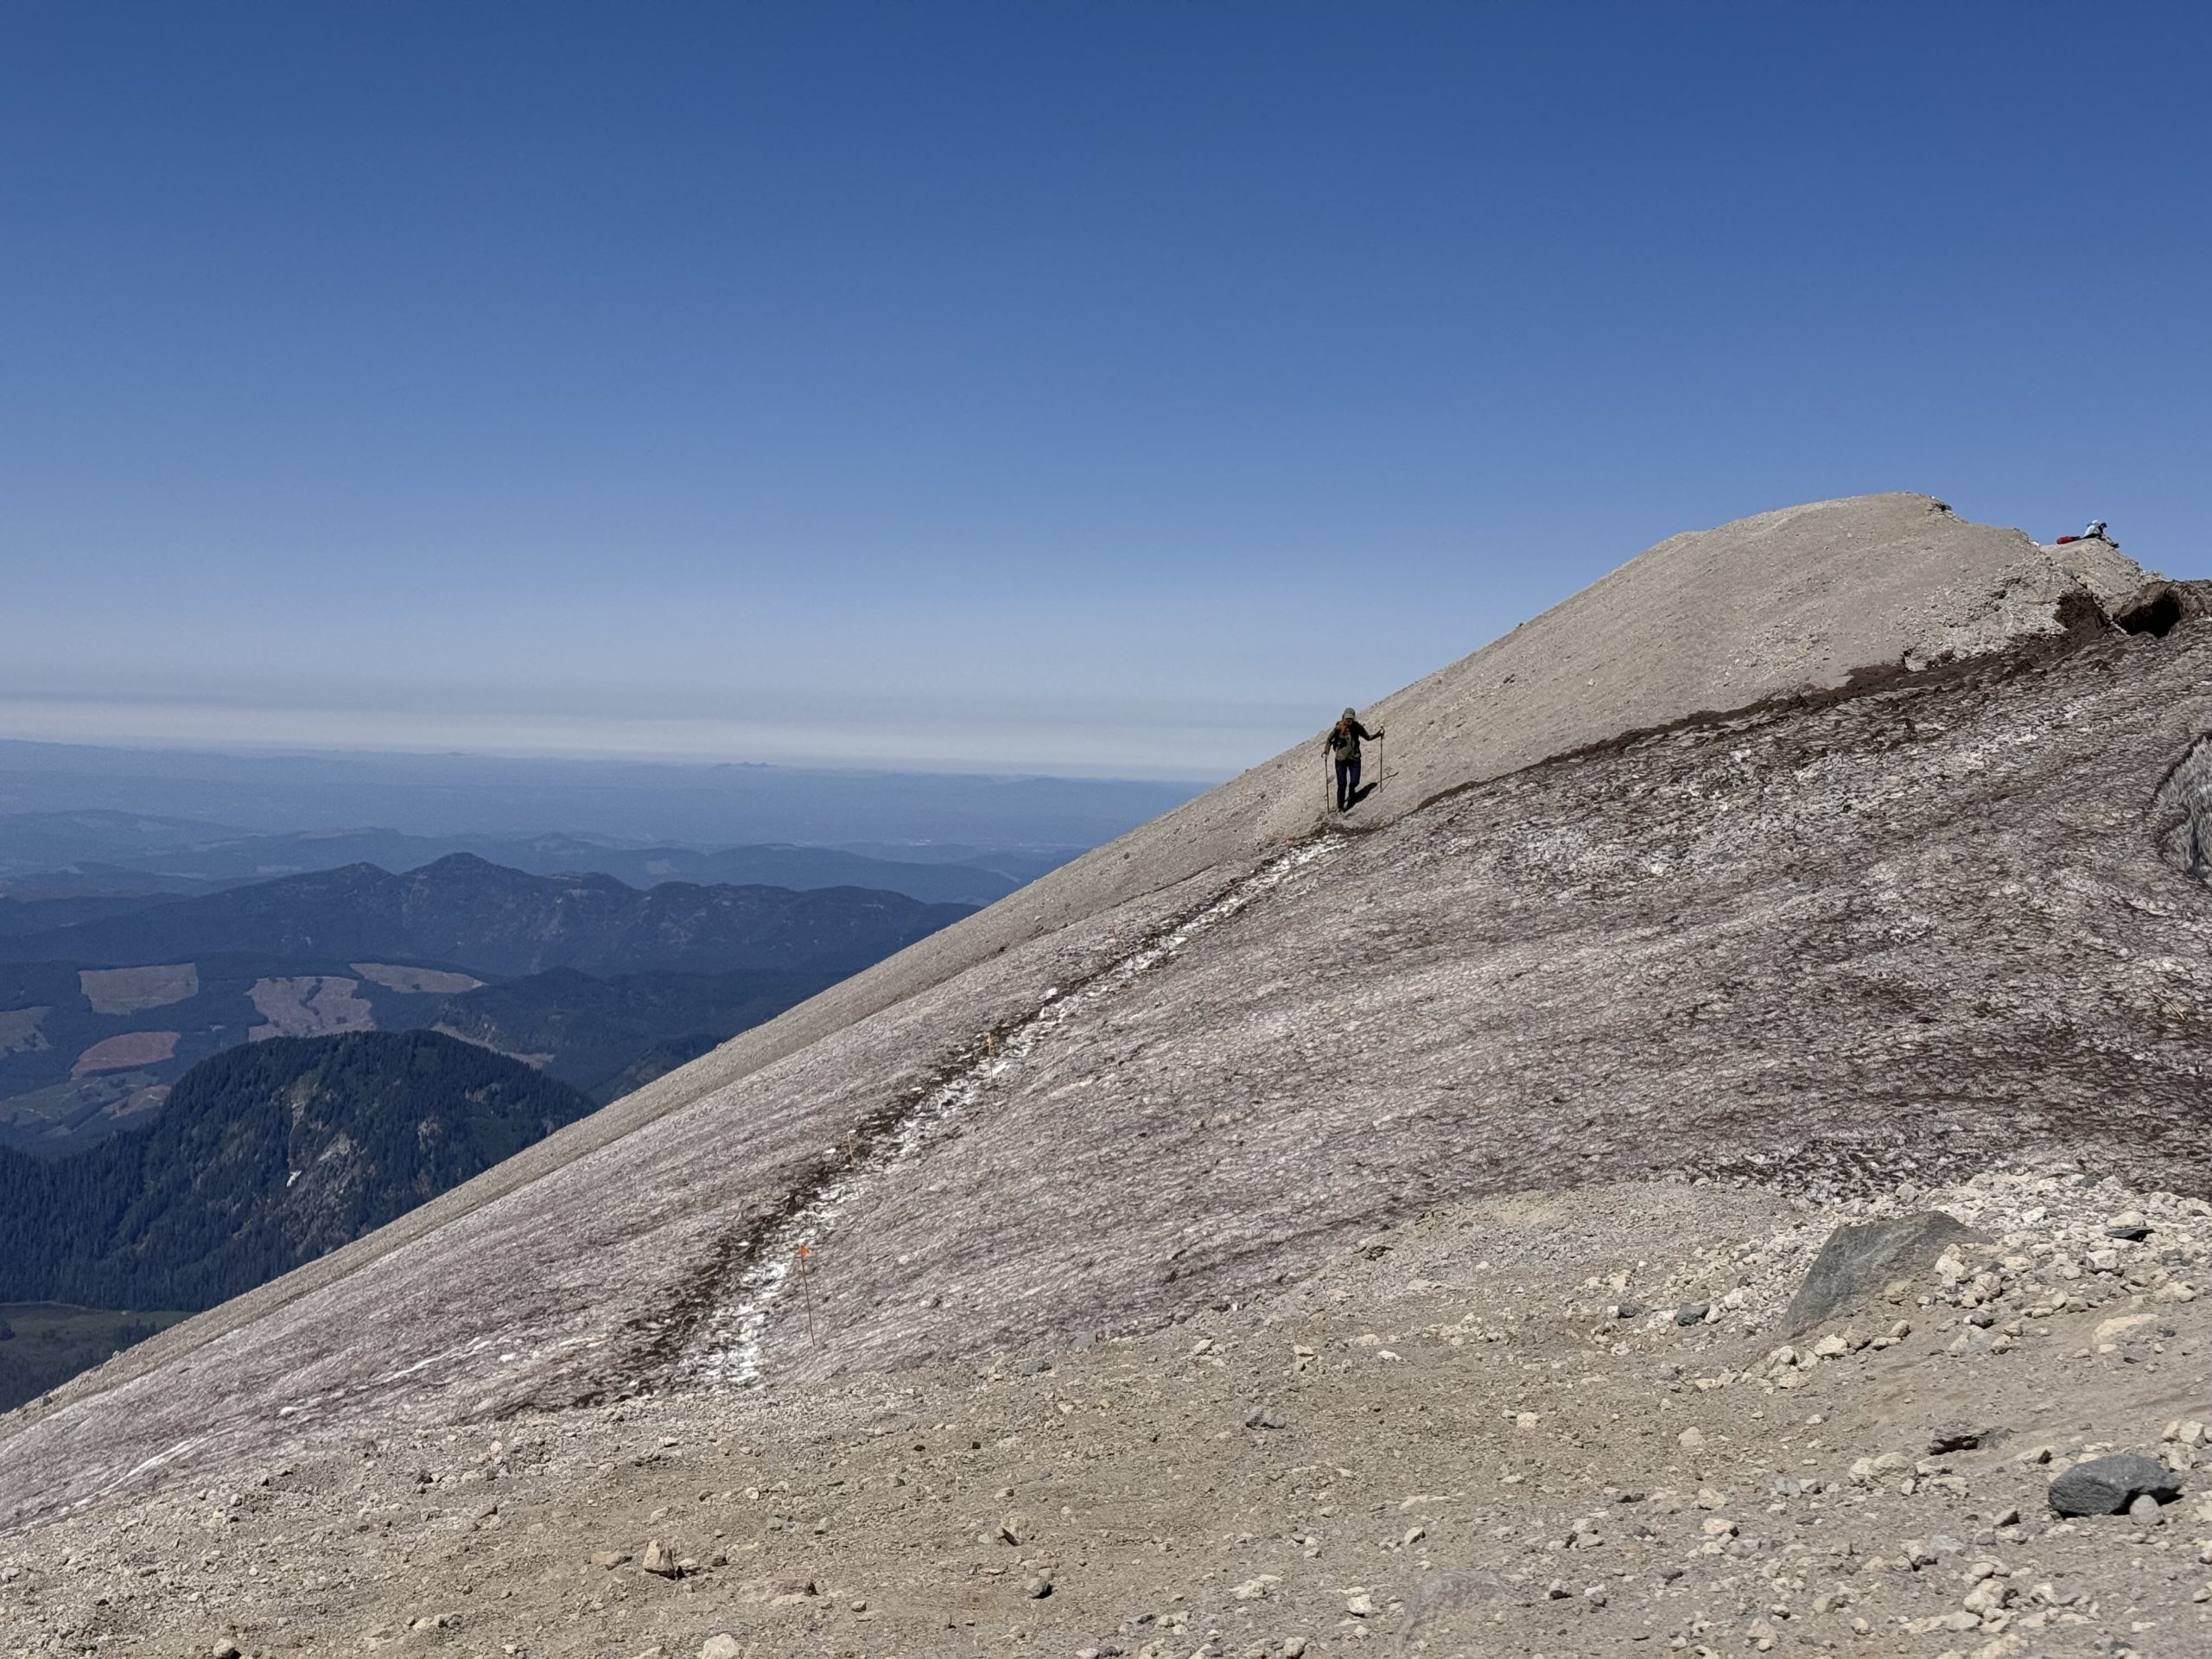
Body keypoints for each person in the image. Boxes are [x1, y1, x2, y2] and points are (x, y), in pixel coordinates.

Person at [1324, 707, 1382, 812]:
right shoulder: (1338, 728)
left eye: (1350, 718)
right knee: (1342, 784)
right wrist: (1326, 752)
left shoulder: (1358, 727)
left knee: (1355, 781)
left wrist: (1378, 734)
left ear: (1354, 718)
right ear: (1344, 718)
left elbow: (1367, 737)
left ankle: (1352, 791)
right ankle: (1340, 807)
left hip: (1355, 757)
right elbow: (1329, 739)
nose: (1349, 720)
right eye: (1347, 718)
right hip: (1341, 759)